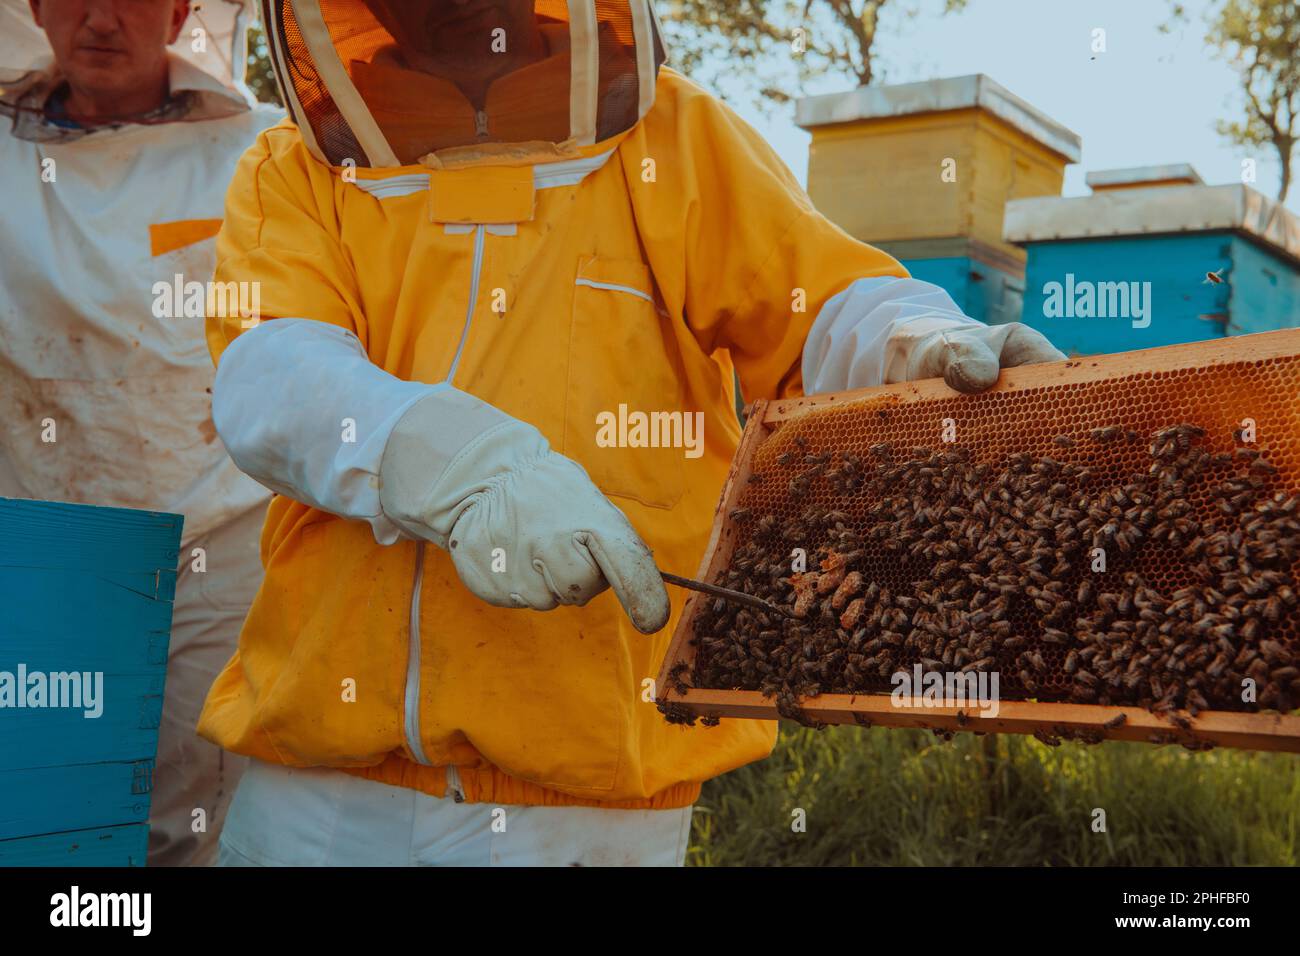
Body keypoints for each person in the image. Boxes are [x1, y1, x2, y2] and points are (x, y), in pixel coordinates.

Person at [203, 0, 1064, 867]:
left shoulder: (674, 140)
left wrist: (908, 342)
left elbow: (817, 305)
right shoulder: (295, 167)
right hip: (316, 801)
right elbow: (269, 370)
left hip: (590, 808)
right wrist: (460, 470)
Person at [0, 0, 280, 865]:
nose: (101, 18)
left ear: (180, 12)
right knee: (53, 823)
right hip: (49, 523)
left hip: (223, 531)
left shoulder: (260, 148)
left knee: (195, 817)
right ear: (38, 10)